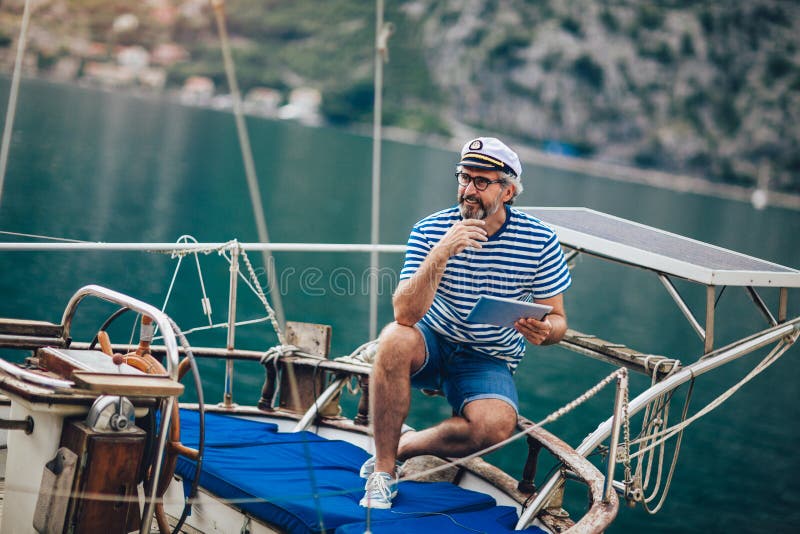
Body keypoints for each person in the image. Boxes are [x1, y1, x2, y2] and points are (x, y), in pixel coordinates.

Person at [359, 137, 572, 509]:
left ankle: (406, 445)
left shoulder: (540, 240)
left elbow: (557, 319)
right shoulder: (430, 229)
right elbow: (405, 315)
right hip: (432, 339)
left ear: (507, 191)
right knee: (394, 338)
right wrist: (441, 252)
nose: (468, 191)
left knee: (495, 427)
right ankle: (383, 469)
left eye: (481, 181)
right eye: (463, 178)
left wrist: (546, 331)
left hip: (488, 356)